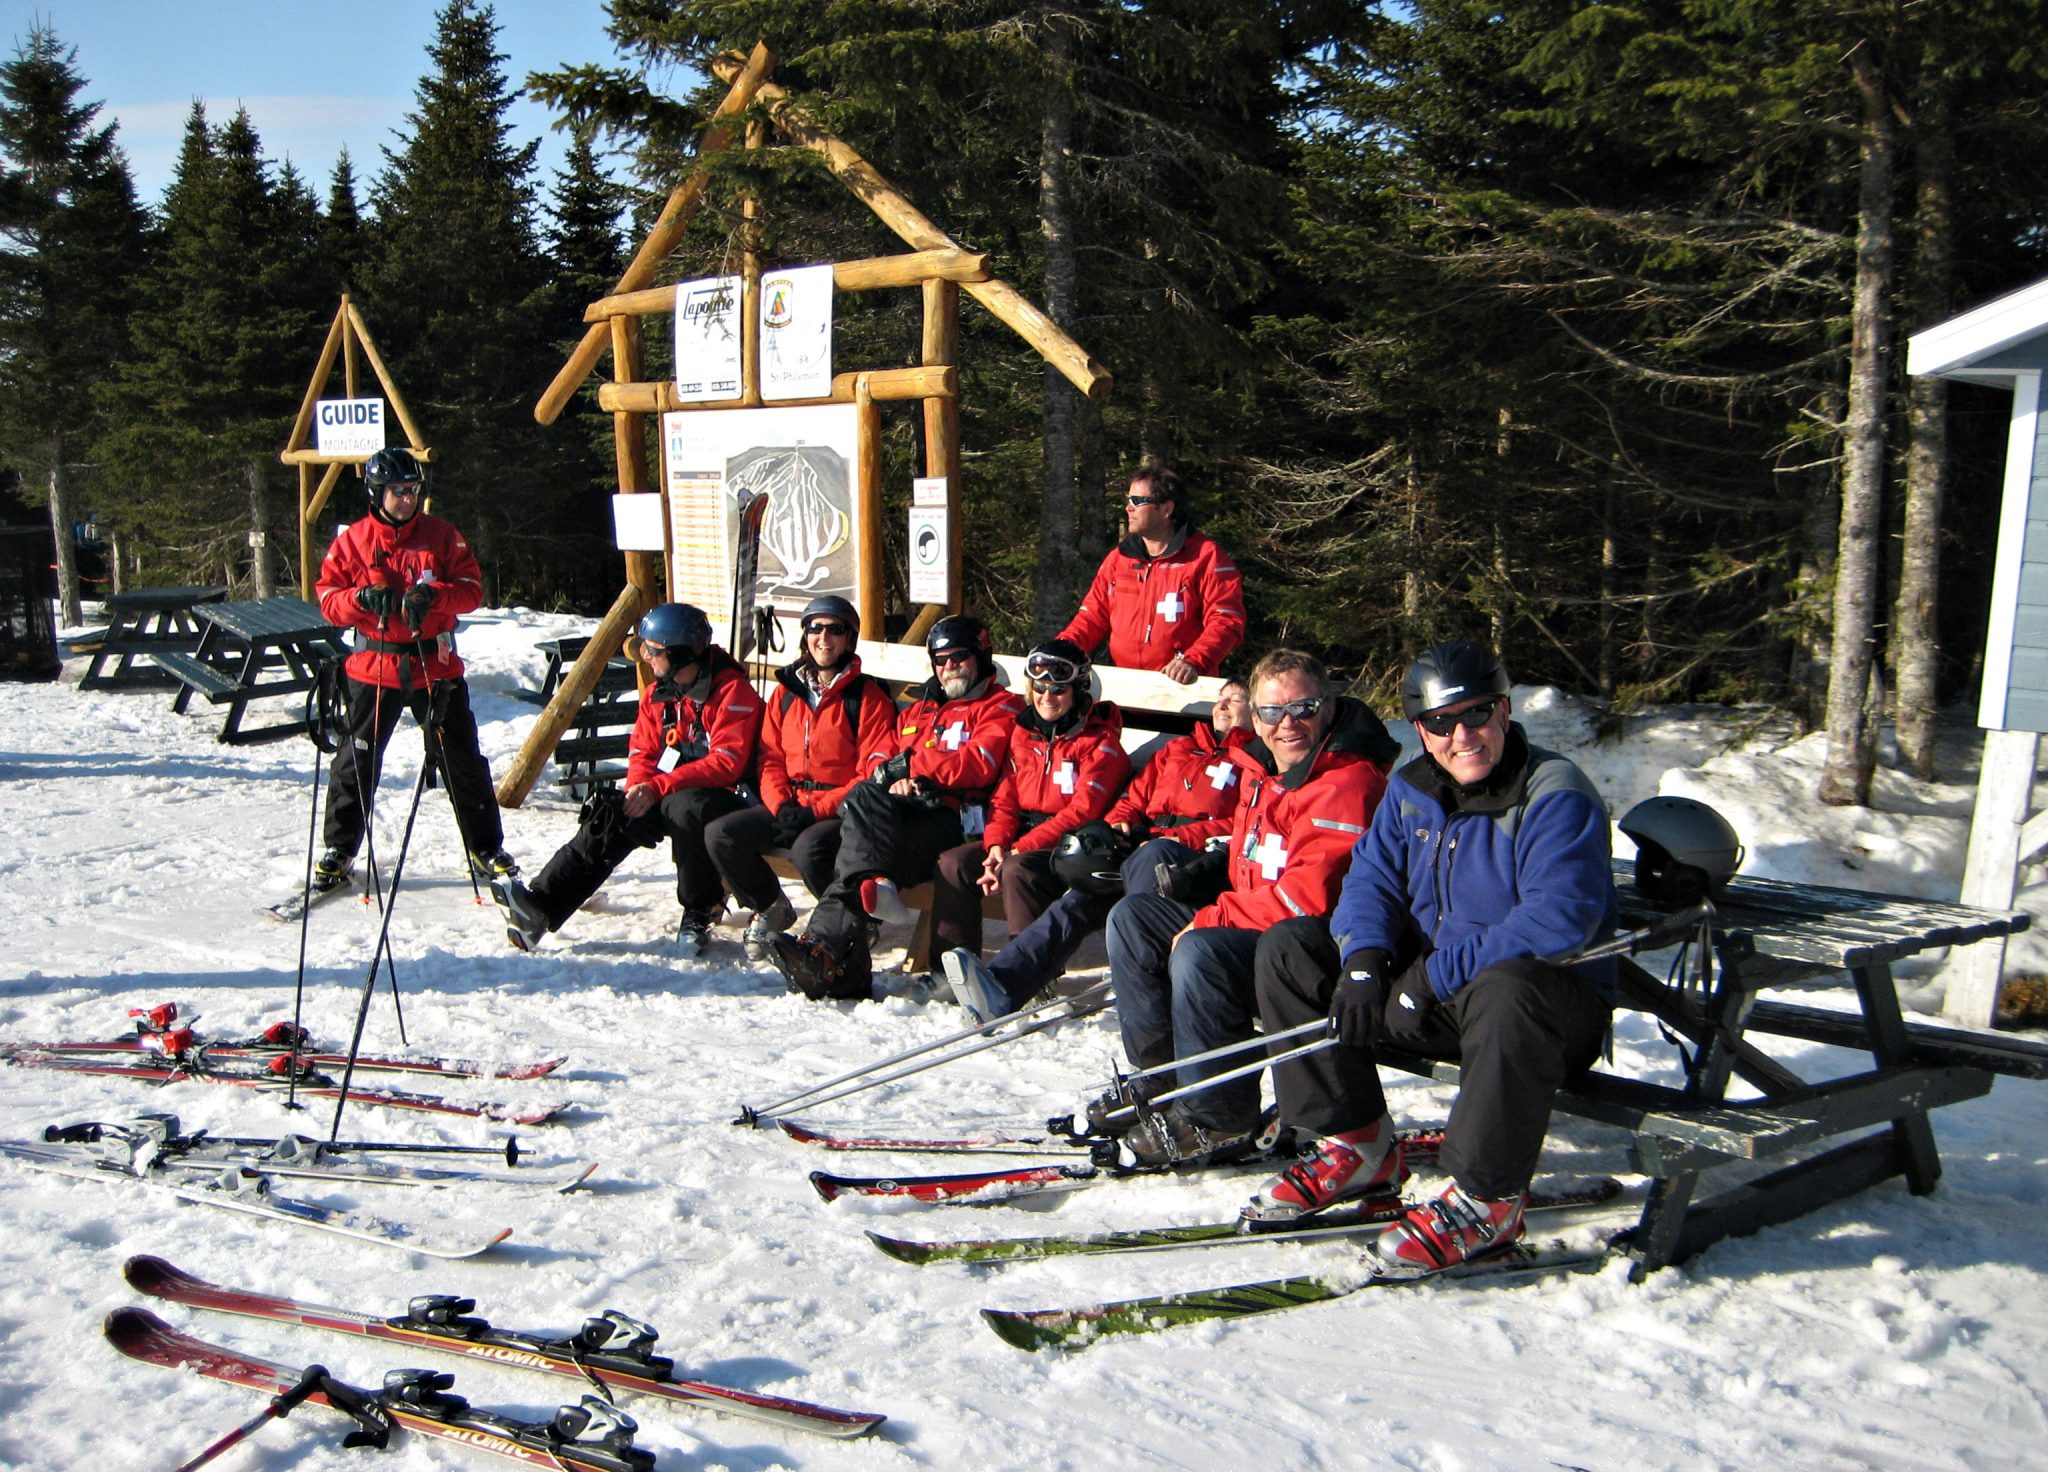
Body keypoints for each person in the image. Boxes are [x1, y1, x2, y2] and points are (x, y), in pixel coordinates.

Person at [1242, 638, 1617, 1277]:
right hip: (1436, 995)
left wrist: (1429, 978)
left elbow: (1557, 920)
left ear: (1504, 712)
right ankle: (1355, 1141)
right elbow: (1371, 880)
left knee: (1510, 986)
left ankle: (1486, 1200)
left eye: (1476, 715)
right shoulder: (1413, 788)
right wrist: (1362, 961)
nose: (1461, 736)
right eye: (1441, 723)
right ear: (1419, 728)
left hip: (1543, 1010)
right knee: (1291, 950)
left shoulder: (1554, 792)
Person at [1098, 649, 1398, 1164]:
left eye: (1302, 707)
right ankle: (1165, 1082)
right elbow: (1251, 859)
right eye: (1272, 712)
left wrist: (1210, 916)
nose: (1288, 724)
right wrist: (1205, 884)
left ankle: (1217, 1117)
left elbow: (1307, 897)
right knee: (1134, 919)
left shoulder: (1347, 781)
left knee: (1200, 950)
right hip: (1261, 923)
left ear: (1327, 707)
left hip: (1314, 945)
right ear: (1255, 718)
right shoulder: (1262, 772)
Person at [941, 677, 1255, 1024]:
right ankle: (1001, 984)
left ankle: (1133, 975)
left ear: (1256, 712)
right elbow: (1132, 799)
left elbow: (1243, 824)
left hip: (1189, 861)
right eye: (1220, 698)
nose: (1223, 705)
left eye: (1236, 699)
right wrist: (1119, 824)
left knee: (1141, 869)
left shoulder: (1253, 762)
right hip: (1138, 847)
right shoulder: (1178, 749)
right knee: (1075, 902)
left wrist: (1181, 837)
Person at [765, 614, 1022, 1001]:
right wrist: (892, 775)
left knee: (863, 808)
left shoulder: (1000, 707)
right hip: (898, 813)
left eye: (959, 656)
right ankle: (845, 963)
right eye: (940, 659)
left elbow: (978, 762)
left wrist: (911, 768)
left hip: (956, 819)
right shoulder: (919, 710)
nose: (949, 666)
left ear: (982, 655)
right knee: (825, 846)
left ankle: (825, 946)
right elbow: (878, 756)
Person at [492, 602, 763, 958]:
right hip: (673, 791)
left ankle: (700, 908)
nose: (646, 658)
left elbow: (726, 764)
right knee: (614, 812)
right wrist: (638, 788)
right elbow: (643, 751)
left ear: (680, 653)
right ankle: (541, 905)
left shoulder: (732, 693)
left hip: (733, 798)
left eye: (653, 650)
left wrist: (656, 788)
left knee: (686, 808)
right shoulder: (660, 695)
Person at [311, 448, 515, 895]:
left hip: (434, 665)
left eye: (413, 491)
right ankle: (340, 848)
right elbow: (328, 599)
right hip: (374, 664)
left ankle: (485, 848)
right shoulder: (353, 541)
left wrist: (435, 596)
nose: (407, 500)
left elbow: (472, 589)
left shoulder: (442, 535)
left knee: (461, 759)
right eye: (398, 492)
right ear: (376, 492)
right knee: (356, 757)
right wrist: (361, 599)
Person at [702, 595, 899, 960]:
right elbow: (769, 757)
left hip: (841, 809)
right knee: (721, 834)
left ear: (849, 639)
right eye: (815, 628)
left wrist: (817, 810)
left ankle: (854, 918)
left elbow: (870, 775)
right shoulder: (785, 694)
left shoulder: (867, 698)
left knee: (809, 849)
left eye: (835, 630)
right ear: (804, 635)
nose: (824, 638)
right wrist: (779, 806)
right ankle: (770, 903)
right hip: (790, 802)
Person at [925, 639, 1130, 984]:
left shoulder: (1101, 745)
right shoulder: (1024, 734)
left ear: (1078, 690)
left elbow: (1081, 812)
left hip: (1071, 848)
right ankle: (950, 970)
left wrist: (1017, 850)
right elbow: (1005, 799)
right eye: (1039, 687)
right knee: (953, 863)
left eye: (1058, 689)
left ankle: (1028, 976)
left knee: (1018, 871)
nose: (1047, 697)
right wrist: (995, 846)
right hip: (1021, 837)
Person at [1056, 461, 1244, 683]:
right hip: (1124, 692)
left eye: (1138, 501)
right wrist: (1061, 650)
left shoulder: (1206, 557)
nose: (1129, 507)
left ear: (1166, 509)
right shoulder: (1118, 559)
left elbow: (1226, 620)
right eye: (1128, 500)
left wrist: (1194, 661)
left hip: (1185, 694)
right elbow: (1092, 617)